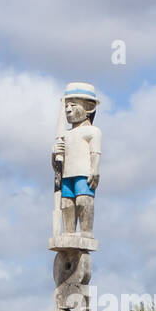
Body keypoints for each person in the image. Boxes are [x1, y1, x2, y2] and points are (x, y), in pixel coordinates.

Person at [51, 83, 100, 235]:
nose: (68, 109)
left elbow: (95, 153)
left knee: (83, 200)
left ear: (89, 107)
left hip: (83, 173)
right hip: (66, 174)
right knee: (66, 204)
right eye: (66, 105)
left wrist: (95, 169)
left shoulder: (92, 131)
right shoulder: (64, 134)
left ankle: (86, 232)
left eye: (73, 105)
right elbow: (57, 166)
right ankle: (68, 232)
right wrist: (54, 154)